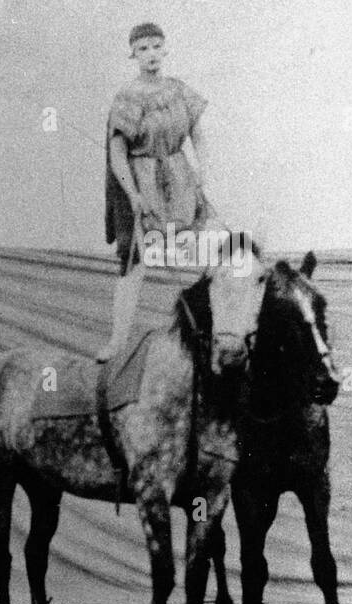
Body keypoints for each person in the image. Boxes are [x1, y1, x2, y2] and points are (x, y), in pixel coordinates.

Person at [99, 22, 213, 362]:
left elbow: (199, 136)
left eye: (155, 46)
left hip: (179, 179)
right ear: (133, 54)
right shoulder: (127, 98)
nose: (150, 54)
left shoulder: (179, 92)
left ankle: (208, 334)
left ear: (165, 49)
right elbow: (117, 153)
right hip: (142, 181)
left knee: (200, 249)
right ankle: (117, 342)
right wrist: (132, 193)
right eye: (143, 48)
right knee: (136, 263)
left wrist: (201, 173)